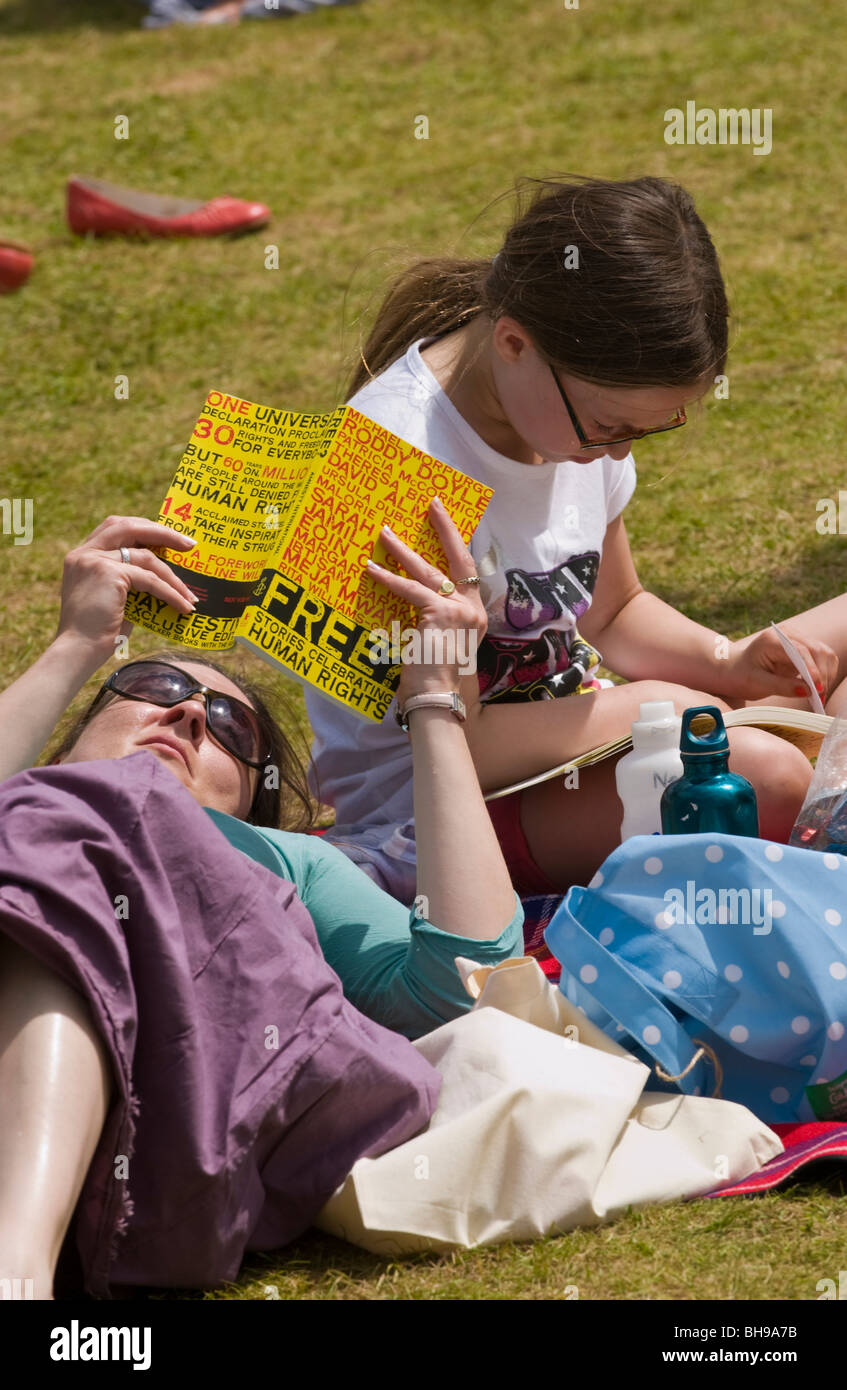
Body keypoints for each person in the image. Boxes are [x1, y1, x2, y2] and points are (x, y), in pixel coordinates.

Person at [0, 508, 520, 1298]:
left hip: (176, 1127)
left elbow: (464, 982)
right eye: (153, 685)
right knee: (73, 829)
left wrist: (433, 698)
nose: (184, 714)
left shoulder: (290, 865)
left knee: (112, 817)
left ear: (251, 806)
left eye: (229, 727)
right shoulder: (27, 806)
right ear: (66, 737)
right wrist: (77, 643)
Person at [304, 173, 847, 903]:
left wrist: (728, 659)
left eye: (652, 428)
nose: (619, 456)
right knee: (761, 779)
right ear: (513, 342)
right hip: (435, 811)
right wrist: (647, 704)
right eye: (610, 426)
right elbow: (450, 739)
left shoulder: (561, 422)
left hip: (583, 743)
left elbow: (614, 612)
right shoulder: (382, 469)